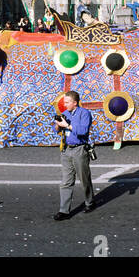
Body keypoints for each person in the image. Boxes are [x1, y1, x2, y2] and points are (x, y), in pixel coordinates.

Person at [53, 90, 94, 221]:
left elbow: (83, 130)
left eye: (67, 102)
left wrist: (68, 126)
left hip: (79, 149)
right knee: (66, 181)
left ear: (75, 103)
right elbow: (57, 130)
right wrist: (58, 126)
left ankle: (90, 202)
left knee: (84, 179)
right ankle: (64, 211)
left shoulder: (85, 113)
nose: (64, 104)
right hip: (66, 150)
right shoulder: (65, 114)